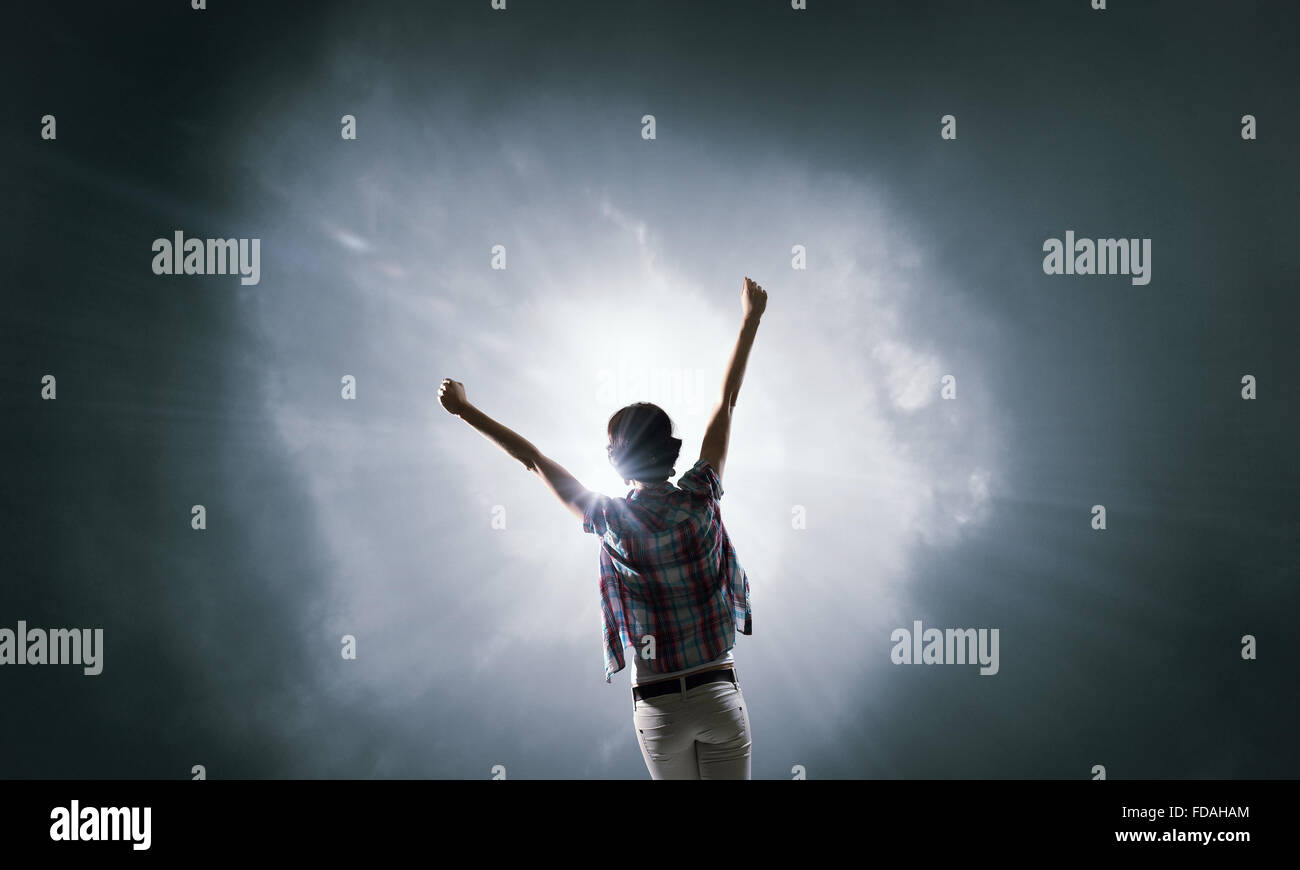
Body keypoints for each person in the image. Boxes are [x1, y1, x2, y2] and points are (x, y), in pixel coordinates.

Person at [438, 276, 767, 779]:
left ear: (617, 461)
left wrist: (464, 410)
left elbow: (532, 459)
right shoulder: (701, 494)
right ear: (670, 448)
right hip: (717, 690)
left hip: (658, 705)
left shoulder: (610, 518)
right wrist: (749, 320)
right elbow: (727, 401)